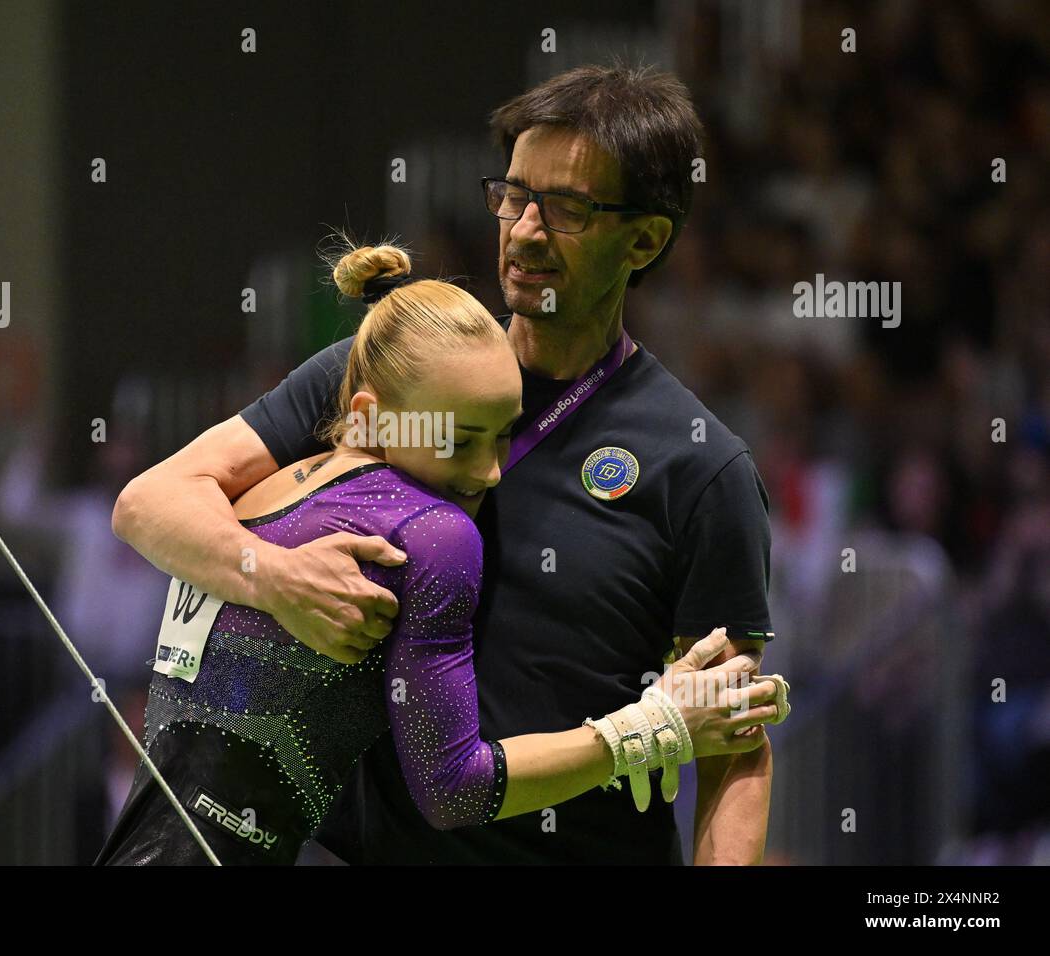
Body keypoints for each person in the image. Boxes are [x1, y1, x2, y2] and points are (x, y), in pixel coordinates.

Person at [113, 62, 782, 864]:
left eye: (566, 208)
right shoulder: (382, 373)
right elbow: (152, 503)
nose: (525, 229)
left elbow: (733, 744)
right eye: (513, 194)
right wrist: (275, 578)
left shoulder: (700, 468)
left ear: (645, 239)